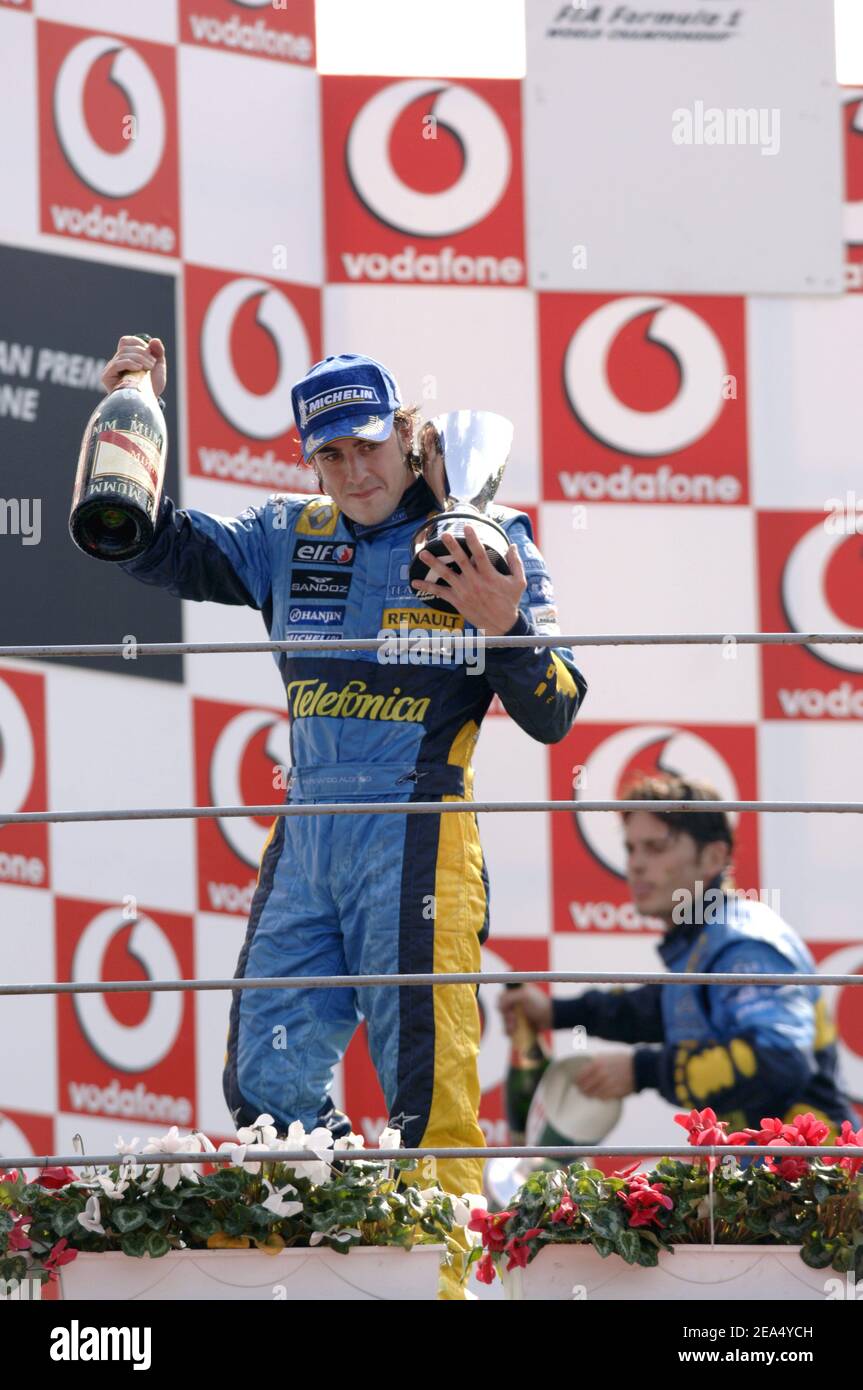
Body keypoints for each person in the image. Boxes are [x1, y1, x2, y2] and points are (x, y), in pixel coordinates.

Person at [97, 334, 588, 1296]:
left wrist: (506, 627)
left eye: (369, 445)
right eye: (331, 453)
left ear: (408, 437)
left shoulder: (486, 532)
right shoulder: (289, 532)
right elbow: (145, 540)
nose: (354, 469)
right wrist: (131, 406)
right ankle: (346, 1261)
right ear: (309, 458)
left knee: (431, 1095)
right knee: (265, 1086)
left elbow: (557, 708)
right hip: (307, 835)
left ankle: (449, 1288)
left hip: (420, 833)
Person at [499, 774, 857, 1136]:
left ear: (713, 857)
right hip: (767, 1179)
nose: (635, 865)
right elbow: (657, 1007)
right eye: (631, 849)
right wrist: (554, 1013)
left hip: (812, 1183)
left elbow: (778, 1060)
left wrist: (640, 1070)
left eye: (655, 847)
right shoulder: (704, 942)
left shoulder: (742, 945)